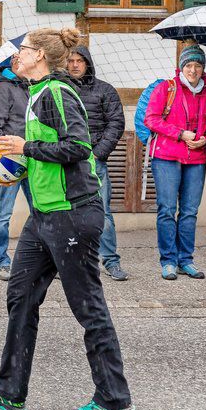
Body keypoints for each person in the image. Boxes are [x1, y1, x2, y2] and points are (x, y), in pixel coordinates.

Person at [0, 28, 133, 410]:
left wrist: (26, 147)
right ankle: (9, 392)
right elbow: (47, 149)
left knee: (88, 306)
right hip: (44, 217)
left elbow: (79, 147)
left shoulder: (57, 93)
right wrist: (17, 150)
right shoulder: (37, 93)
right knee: (21, 297)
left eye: (21, 51)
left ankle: (114, 397)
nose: (15, 57)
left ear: (39, 55)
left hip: (73, 213)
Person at [144, 44, 206, 280]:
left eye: (197, 65)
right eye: (188, 65)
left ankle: (186, 259)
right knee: (166, 209)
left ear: (203, 67)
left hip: (196, 156)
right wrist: (179, 134)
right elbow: (151, 119)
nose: (193, 70)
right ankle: (168, 261)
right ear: (181, 67)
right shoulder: (167, 88)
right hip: (166, 156)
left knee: (190, 211)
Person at [67, 46, 127, 280]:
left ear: (87, 63)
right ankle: (72, 262)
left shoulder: (105, 90)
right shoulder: (61, 90)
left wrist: (98, 154)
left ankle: (111, 261)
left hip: (94, 163)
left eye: (79, 61)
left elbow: (116, 124)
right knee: (68, 214)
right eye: (70, 60)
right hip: (67, 162)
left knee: (102, 213)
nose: (74, 65)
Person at [0, 54, 32, 281]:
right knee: (3, 213)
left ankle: (41, 260)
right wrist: (1, 160)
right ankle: (0, 261)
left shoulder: (31, 86)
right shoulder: (2, 87)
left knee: (41, 212)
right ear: (13, 61)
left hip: (34, 156)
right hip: (11, 161)